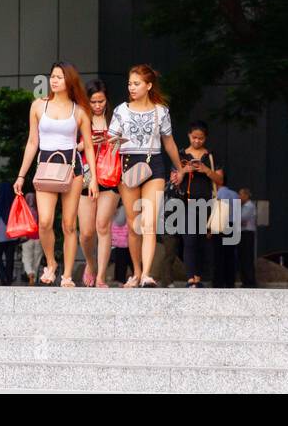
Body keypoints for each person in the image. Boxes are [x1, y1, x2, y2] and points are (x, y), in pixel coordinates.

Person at [14, 62, 98, 288]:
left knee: (69, 225)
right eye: (52, 76)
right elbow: (33, 142)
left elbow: (88, 146)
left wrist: (95, 180)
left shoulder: (79, 111)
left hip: (72, 167)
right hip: (46, 167)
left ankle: (67, 275)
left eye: (59, 77)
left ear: (69, 80)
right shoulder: (38, 106)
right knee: (45, 221)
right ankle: (50, 263)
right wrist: (21, 175)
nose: (54, 80)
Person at [108, 64, 184, 287]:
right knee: (134, 225)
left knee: (149, 221)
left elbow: (168, 142)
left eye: (137, 83)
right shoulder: (121, 110)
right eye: (130, 83)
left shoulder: (161, 111)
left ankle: (147, 275)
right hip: (128, 164)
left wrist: (179, 167)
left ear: (149, 85)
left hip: (155, 164)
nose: (131, 87)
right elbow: (111, 142)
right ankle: (137, 272)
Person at [77, 80, 122, 288]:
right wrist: (84, 144)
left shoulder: (115, 119)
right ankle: (90, 263)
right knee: (86, 233)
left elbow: (125, 145)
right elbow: (68, 147)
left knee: (103, 226)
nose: (97, 105)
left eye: (101, 101)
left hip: (110, 177)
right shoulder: (80, 118)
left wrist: (113, 141)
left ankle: (102, 276)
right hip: (86, 178)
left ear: (107, 100)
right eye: (93, 101)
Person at [174, 121, 223, 287]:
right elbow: (174, 180)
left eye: (200, 138)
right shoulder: (181, 155)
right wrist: (184, 171)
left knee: (203, 241)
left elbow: (220, 180)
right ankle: (190, 279)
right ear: (189, 135)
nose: (197, 141)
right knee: (189, 240)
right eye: (194, 137)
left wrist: (206, 170)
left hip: (206, 203)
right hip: (186, 203)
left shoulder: (211, 156)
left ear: (205, 138)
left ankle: (198, 277)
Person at [211, 183, 241, 288]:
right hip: (233, 225)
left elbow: (217, 211)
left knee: (218, 256)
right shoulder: (235, 194)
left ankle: (218, 282)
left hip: (221, 225)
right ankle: (230, 282)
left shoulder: (219, 193)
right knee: (230, 255)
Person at [20, 190, 42, 284]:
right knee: (37, 259)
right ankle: (35, 276)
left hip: (27, 239)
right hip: (38, 238)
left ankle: (30, 274)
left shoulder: (24, 212)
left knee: (26, 258)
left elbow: (21, 225)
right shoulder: (39, 211)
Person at [238, 188, 258, 287]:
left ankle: (250, 281)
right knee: (243, 258)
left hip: (247, 234)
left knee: (247, 258)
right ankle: (245, 280)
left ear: (246, 195)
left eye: (240, 194)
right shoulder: (243, 206)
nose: (239, 197)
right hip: (243, 233)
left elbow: (241, 218)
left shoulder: (249, 206)